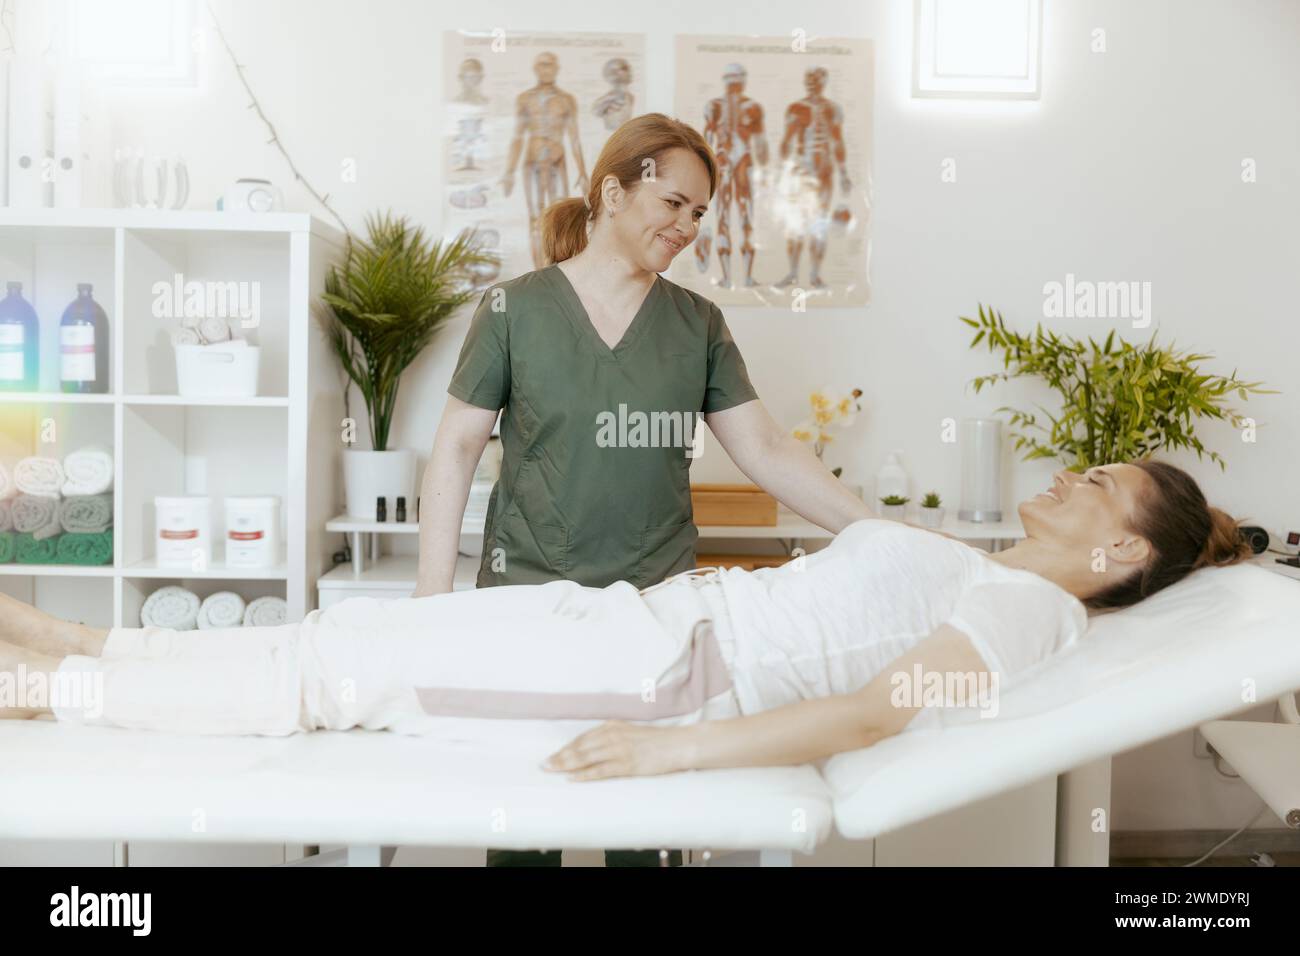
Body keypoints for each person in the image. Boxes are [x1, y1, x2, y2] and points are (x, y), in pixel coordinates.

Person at [2, 462, 1251, 789]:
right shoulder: (991, 566)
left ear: (1120, 552)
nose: (1071, 476)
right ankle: (81, 643)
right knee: (352, 631)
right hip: (635, 621)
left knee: (335, 674)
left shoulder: (1026, 608)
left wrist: (668, 748)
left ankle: (53, 690)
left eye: (1099, 486)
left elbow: (882, 711)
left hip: (662, 674)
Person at [414, 112, 871, 865]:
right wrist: (433, 603)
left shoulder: (697, 324)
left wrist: (872, 530)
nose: (688, 226)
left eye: (699, 212)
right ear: (615, 193)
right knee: (528, 827)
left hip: (653, 618)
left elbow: (764, 447)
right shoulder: (514, 309)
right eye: (673, 204)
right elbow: (457, 445)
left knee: (648, 831)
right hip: (528, 606)